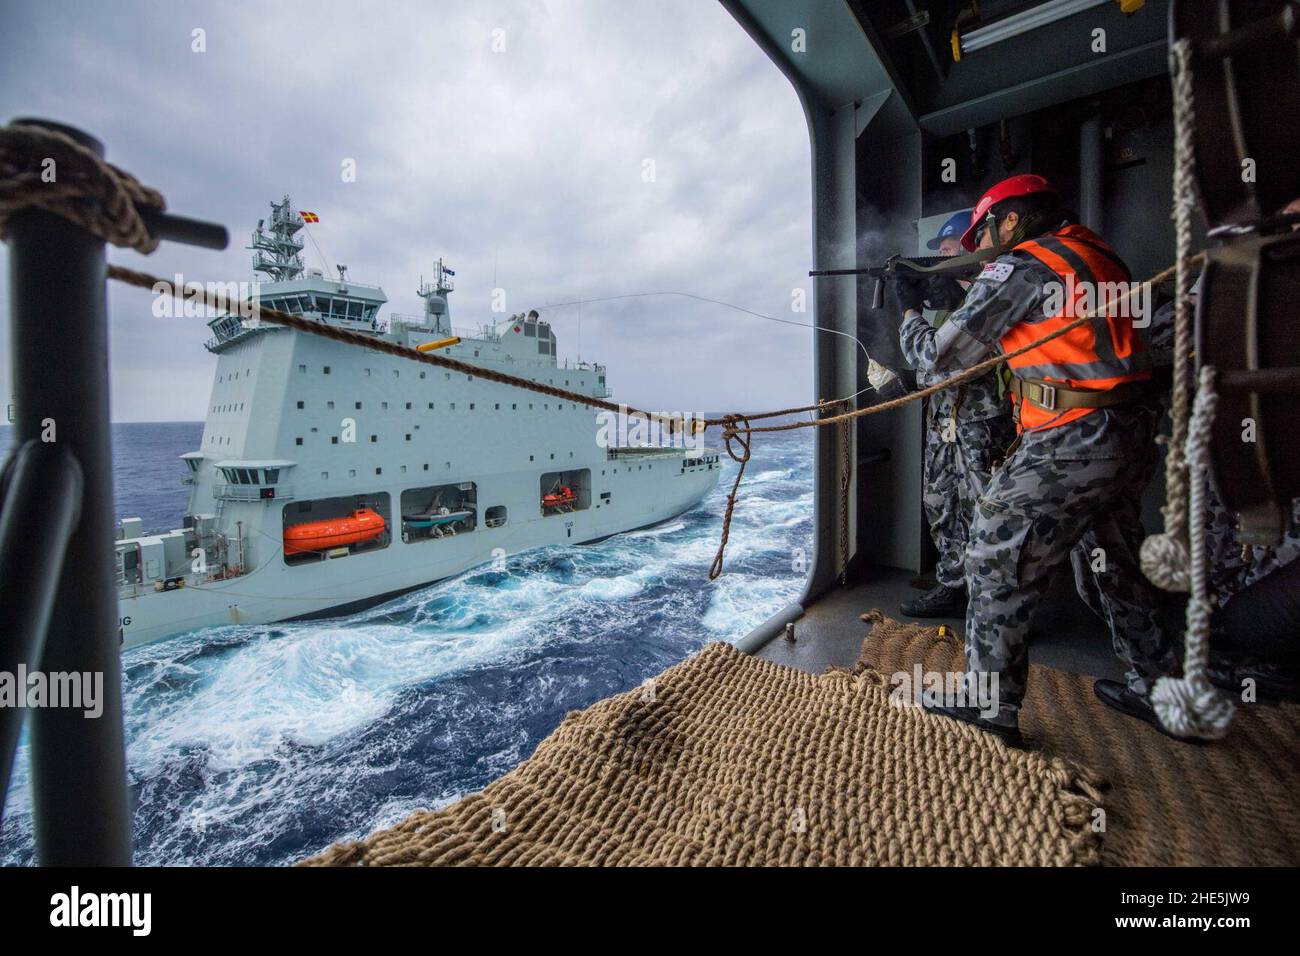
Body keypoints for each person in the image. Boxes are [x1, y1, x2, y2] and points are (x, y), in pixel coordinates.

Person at [894, 174, 1180, 745]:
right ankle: (1160, 686)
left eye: (984, 234)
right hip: (1127, 434)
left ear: (1010, 221)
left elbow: (937, 362)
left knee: (995, 547)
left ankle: (989, 704)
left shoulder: (1021, 266)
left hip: (1070, 436)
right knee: (1111, 559)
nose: (979, 248)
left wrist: (909, 313)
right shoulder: (1100, 258)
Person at [898, 210, 1015, 618]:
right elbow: (934, 365)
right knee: (941, 502)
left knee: (984, 510)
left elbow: (939, 356)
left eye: (949, 252)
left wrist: (910, 311)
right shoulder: (951, 302)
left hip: (980, 422)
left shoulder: (990, 296)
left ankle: (996, 604)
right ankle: (953, 585)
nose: (942, 260)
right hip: (944, 421)